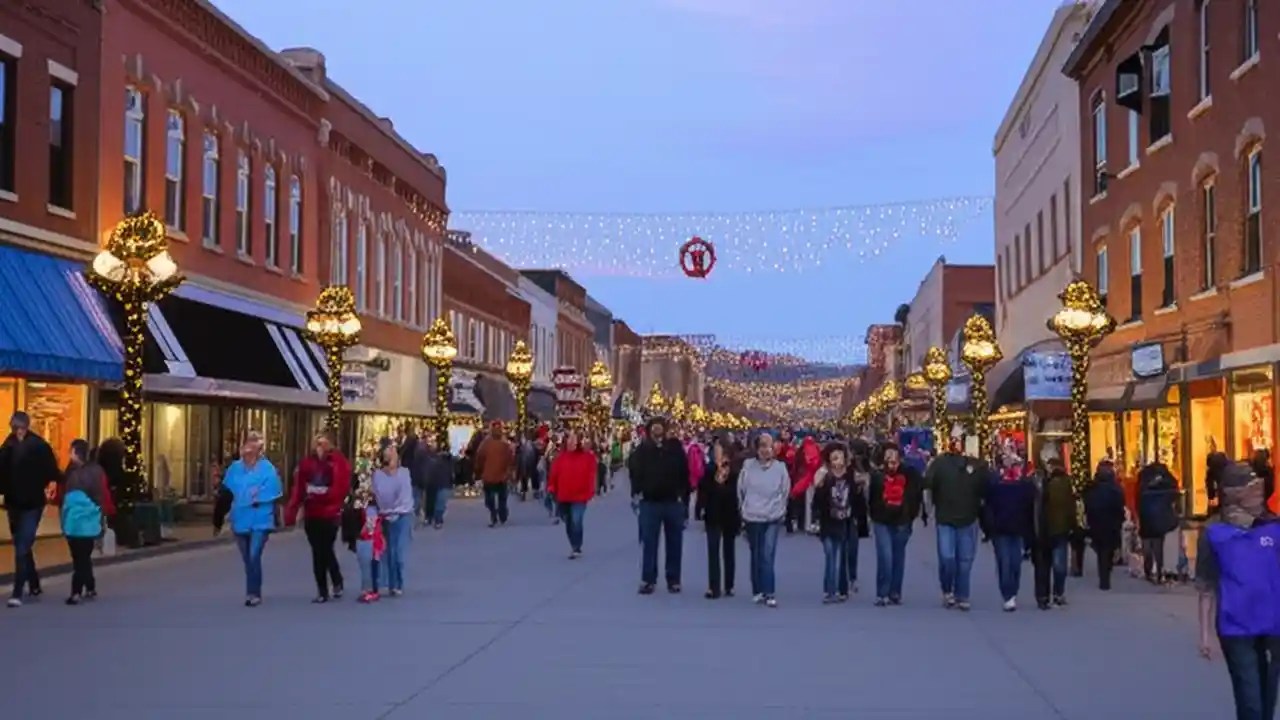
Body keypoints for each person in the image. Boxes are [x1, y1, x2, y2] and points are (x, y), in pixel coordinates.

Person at [1195, 461, 1280, 720]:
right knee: (1250, 702)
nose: (1257, 494)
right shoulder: (1213, 532)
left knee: (1267, 701)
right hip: (1235, 628)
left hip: (1273, 626)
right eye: (1250, 488)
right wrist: (1205, 635)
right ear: (1232, 493)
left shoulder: (1273, 526)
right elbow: (1206, 586)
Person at [213, 432, 282, 607]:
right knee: (247, 558)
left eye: (253, 448)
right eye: (246, 447)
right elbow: (225, 495)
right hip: (240, 519)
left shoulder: (267, 469)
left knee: (254, 555)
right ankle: (253, 585)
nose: (248, 452)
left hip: (260, 519)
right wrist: (218, 520)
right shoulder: (235, 469)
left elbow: (274, 491)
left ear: (259, 451)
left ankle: (253, 593)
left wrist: (258, 497)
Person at [0, 411, 60, 607]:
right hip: (14, 502)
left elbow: (52, 471)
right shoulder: (8, 446)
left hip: (32, 503)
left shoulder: (38, 446)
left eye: (20, 429)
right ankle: (33, 583)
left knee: (22, 545)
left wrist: (51, 486)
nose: (18, 432)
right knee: (21, 543)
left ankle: (18, 591)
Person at [285, 431, 350, 603]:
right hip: (312, 512)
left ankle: (336, 579)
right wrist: (292, 510)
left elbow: (340, 488)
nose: (320, 447)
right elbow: (299, 488)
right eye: (317, 443)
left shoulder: (338, 462)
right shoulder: (307, 463)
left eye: (323, 443)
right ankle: (322, 590)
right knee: (317, 551)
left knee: (326, 548)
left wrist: (324, 495)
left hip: (330, 513)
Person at [630, 416, 691, 594]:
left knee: (675, 543)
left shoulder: (675, 448)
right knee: (649, 542)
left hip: (673, 502)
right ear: (649, 431)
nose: (657, 431)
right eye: (654, 428)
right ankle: (648, 579)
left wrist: (684, 497)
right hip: (650, 503)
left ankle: (673, 579)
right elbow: (634, 472)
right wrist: (637, 492)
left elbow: (684, 472)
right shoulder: (642, 451)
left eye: (660, 428)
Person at [926, 440, 988, 611]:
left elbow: (986, 489)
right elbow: (928, 485)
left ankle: (962, 594)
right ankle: (947, 590)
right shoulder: (940, 463)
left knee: (965, 560)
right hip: (945, 518)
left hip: (968, 518)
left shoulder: (978, 465)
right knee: (947, 558)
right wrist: (928, 509)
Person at [58, 439, 116, 605]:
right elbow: (103, 494)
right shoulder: (97, 471)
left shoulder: (71, 473)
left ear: (76, 453)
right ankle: (89, 586)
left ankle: (76, 591)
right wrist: (103, 514)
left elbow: (65, 498)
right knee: (84, 555)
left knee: (79, 557)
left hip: (74, 519)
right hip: (91, 517)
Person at [811, 442, 869, 604]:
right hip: (827, 521)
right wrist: (815, 519)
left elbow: (859, 498)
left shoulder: (851, 475)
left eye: (840, 456)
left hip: (845, 521)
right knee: (830, 554)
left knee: (842, 554)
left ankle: (842, 589)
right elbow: (817, 498)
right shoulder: (825, 475)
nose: (837, 460)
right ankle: (829, 591)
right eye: (834, 457)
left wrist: (861, 517)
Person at [869, 443, 925, 607]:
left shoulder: (910, 473)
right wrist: (873, 514)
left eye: (894, 454)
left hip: (902, 520)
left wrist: (911, 514)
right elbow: (872, 497)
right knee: (885, 556)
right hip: (882, 520)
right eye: (888, 455)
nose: (891, 458)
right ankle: (882, 593)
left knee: (898, 556)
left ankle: (895, 592)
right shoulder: (878, 474)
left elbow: (916, 494)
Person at [738, 432, 790, 607]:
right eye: (762, 446)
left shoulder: (780, 468)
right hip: (752, 515)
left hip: (772, 516)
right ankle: (757, 590)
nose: (765, 450)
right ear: (757, 448)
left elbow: (785, 490)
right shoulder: (748, 466)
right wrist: (745, 507)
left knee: (767, 554)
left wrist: (780, 509)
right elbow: (741, 489)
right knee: (756, 554)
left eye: (769, 446)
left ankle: (769, 591)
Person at [982, 454, 1035, 611]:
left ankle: (1013, 592)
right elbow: (987, 507)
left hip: (1018, 529)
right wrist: (989, 528)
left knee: (1015, 563)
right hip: (1001, 530)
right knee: (1005, 562)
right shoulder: (994, 484)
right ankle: (1008, 594)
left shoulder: (1024, 485)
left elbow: (1030, 507)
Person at [697, 436, 742, 599]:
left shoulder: (735, 471)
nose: (716, 454)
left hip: (729, 513)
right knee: (713, 550)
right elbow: (703, 491)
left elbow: (737, 493)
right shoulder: (709, 470)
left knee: (729, 550)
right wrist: (715, 483)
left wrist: (724, 482)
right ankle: (713, 586)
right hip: (713, 513)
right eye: (714, 451)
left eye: (719, 451)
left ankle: (729, 585)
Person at [1030, 458, 1076, 610]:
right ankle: (1056, 594)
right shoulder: (1063, 483)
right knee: (1057, 564)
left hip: (1046, 530)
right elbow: (1070, 506)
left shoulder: (1040, 483)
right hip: (1058, 530)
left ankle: (1046, 596)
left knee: (1048, 566)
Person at [372, 444, 413, 596]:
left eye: (393, 455)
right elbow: (378, 494)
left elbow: (404, 496)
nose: (391, 459)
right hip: (384, 515)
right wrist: (384, 511)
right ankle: (390, 583)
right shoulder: (377, 475)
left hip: (402, 515)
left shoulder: (404, 473)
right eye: (388, 456)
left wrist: (394, 510)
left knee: (398, 551)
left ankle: (398, 583)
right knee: (387, 551)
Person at [548, 429, 595, 558]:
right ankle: (573, 543)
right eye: (569, 440)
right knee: (569, 521)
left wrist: (591, 490)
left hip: (580, 495)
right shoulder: (561, 458)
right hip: (564, 495)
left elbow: (592, 475)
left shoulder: (587, 457)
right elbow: (554, 474)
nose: (572, 443)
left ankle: (577, 546)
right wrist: (551, 487)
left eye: (574, 440)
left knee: (576, 520)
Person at [1137, 455, 1181, 583]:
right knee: (1158, 545)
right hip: (1160, 518)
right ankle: (1159, 571)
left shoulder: (1144, 480)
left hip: (1146, 517)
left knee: (1147, 544)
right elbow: (1174, 495)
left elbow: (1138, 498)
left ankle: (1148, 570)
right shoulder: (1168, 481)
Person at [1083, 460, 1126, 591]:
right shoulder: (1115, 487)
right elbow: (1119, 504)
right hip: (1111, 521)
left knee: (1101, 548)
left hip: (1097, 520)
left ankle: (1104, 576)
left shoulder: (1093, 486)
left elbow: (1088, 502)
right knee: (1108, 548)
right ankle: (1106, 573)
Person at [475, 422, 514, 527]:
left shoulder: (485, 444)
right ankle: (502, 514)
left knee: (489, 499)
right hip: (501, 477)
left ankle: (494, 513)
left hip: (488, 476)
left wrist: (478, 470)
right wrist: (509, 472)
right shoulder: (505, 445)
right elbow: (510, 460)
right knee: (502, 498)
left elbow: (479, 458)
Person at [413, 434, 454, 529]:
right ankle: (431, 517)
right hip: (432, 481)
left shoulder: (444, 457)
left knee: (438, 501)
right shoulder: (424, 454)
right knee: (432, 500)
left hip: (437, 481)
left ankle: (436, 518)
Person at [353, 483, 385, 603]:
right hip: (375, 542)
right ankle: (372, 589)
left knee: (370, 567)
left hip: (371, 543)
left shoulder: (370, 510)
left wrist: (361, 532)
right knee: (372, 566)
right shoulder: (374, 509)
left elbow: (370, 526)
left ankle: (372, 591)